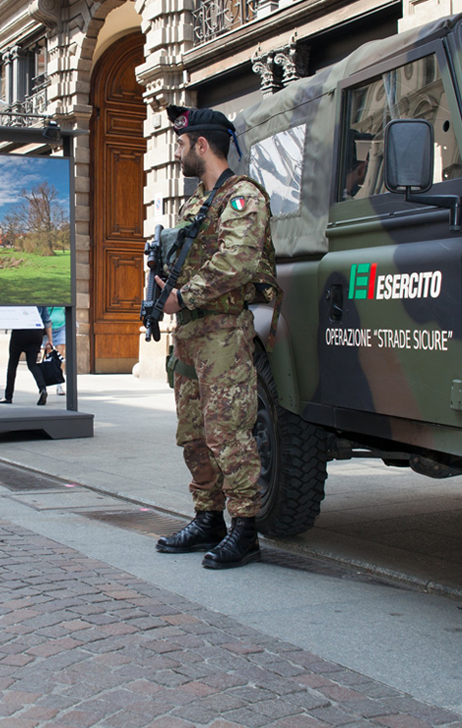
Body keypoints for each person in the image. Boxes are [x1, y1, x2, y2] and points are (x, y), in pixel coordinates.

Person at [152, 104, 276, 570]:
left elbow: (236, 264)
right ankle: (208, 518)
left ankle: (245, 529)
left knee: (229, 432)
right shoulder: (194, 204)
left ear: (202, 145)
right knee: (194, 433)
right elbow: (185, 262)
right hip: (189, 335)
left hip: (223, 332)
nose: (178, 152)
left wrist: (181, 297)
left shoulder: (243, 198)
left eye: (182, 144)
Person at [0, 306, 53, 406]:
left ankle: (8, 396)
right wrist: (50, 339)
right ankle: (42, 389)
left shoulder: (19, 297)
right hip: (36, 333)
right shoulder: (40, 299)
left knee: (13, 364)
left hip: (20, 332)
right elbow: (47, 320)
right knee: (32, 364)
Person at [49, 306, 67, 396]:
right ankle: (43, 383)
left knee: (60, 356)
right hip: (47, 328)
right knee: (46, 356)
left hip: (61, 326)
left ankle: (58, 384)